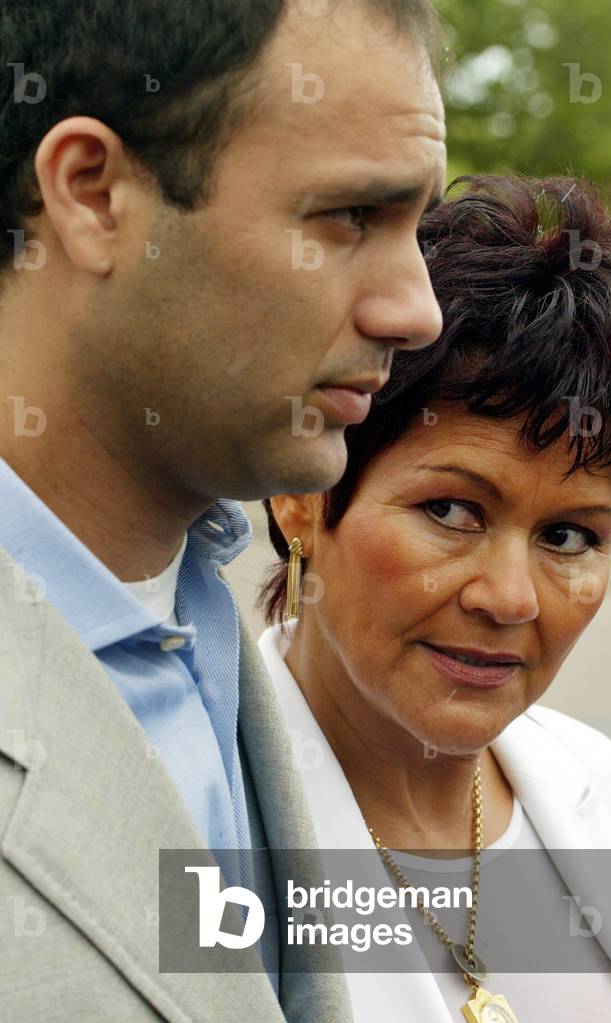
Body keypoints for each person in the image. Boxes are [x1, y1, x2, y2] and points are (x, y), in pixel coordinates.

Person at [0, 1, 449, 1020]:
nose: (416, 308)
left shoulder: (194, 612)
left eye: (416, 223)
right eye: (349, 218)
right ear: (93, 194)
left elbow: (194, 941)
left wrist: (549, 888)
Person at [257, 175, 611, 1022]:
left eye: (568, 535)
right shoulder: (195, 817)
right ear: (300, 495)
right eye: (450, 510)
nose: (510, 598)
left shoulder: (589, 787)